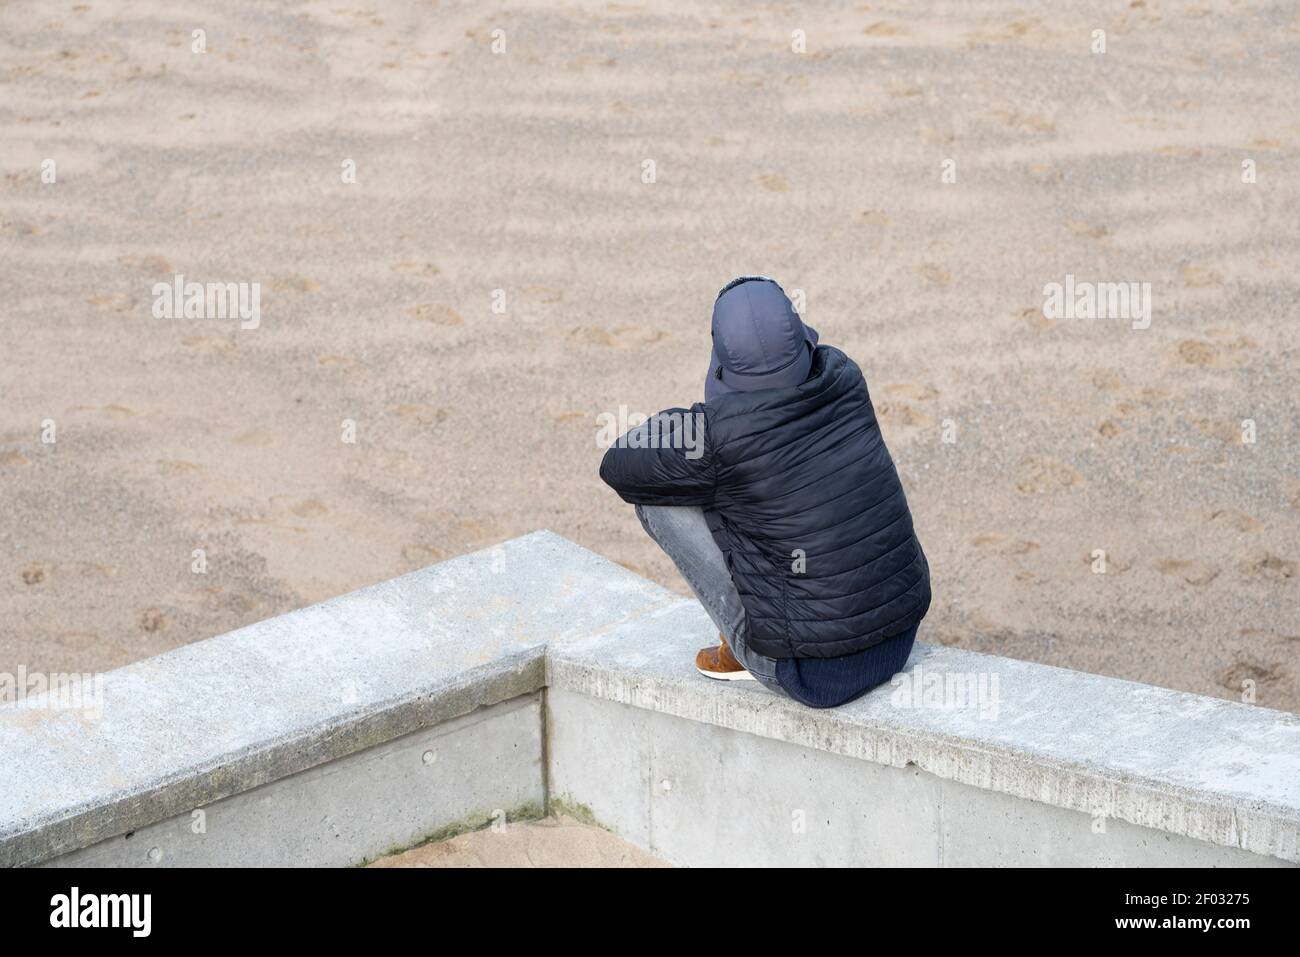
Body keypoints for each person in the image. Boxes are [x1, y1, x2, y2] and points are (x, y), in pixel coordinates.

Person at [599, 276, 930, 708]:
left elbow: (619, 463)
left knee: (660, 497)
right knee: (772, 491)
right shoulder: (844, 376)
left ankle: (738, 647)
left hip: (813, 676)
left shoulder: (715, 438)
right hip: (898, 635)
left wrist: (697, 417)